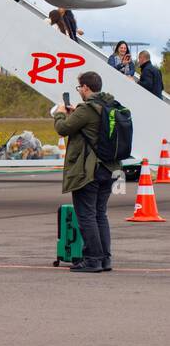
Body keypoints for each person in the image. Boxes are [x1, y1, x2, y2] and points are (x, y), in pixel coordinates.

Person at [51, 71, 122, 273]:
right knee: (100, 214)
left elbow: (63, 128)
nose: (80, 91)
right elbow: (88, 126)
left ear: (86, 88)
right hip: (109, 168)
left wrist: (58, 112)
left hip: (89, 170)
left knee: (86, 215)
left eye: (79, 87)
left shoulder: (87, 109)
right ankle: (104, 259)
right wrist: (76, 113)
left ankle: (92, 259)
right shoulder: (109, 105)